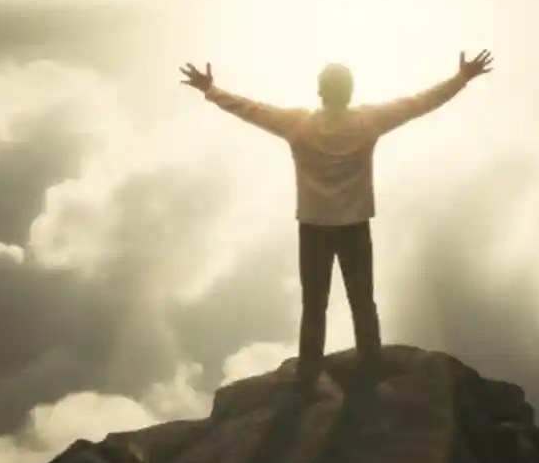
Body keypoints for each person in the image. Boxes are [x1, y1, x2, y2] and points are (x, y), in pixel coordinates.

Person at [180, 50, 494, 386]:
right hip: (355, 226)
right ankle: (371, 366)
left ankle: (308, 372)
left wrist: (211, 90)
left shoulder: (298, 124)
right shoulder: (368, 120)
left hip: (314, 226)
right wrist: (461, 79)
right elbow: (420, 103)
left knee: (314, 305)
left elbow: (250, 110)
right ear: (349, 91)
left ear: (320, 91)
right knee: (362, 301)